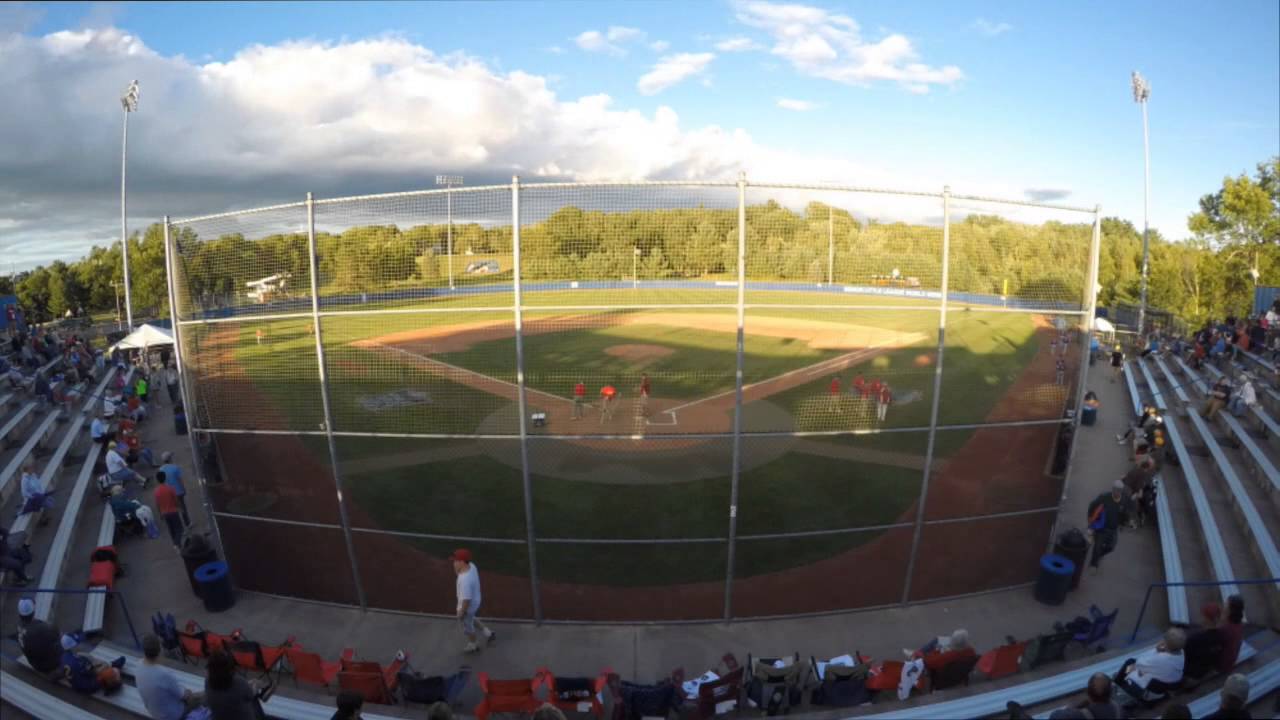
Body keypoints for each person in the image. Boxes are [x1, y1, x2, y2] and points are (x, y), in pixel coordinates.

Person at [137, 634, 204, 720]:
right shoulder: (163, 674)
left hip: (154, 712)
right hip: (173, 716)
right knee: (201, 697)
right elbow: (183, 696)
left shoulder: (138, 665)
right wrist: (189, 693)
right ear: (160, 650)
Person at [1114, 628, 1186, 704]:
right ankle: (1120, 680)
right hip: (1162, 684)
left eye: (1164, 638)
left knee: (1129, 663)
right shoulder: (1181, 652)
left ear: (1166, 643)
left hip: (1149, 690)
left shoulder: (1161, 659)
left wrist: (1156, 649)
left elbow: (1140, 661)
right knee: (1132, 665)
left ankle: (1118, 684)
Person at [453, 548, 496, 653]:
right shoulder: (472, 566)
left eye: (455, 561)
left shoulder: (465, 581)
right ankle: (488, 633)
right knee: (471, 618)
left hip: (468, 606)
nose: (454, 563)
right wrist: (457, 569)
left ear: (462, 562)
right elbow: (458, 573)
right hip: (475, 601)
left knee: (468, 627)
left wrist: (461, 612)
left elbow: (466, 600)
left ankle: (473, 645)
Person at [1086, 481, 1134, 574]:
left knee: (1111, 547)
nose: (1116, 492)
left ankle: (1099, 555)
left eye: (1118, 490)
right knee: (1097, 546)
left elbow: (1126, 513)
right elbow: (1092, 505)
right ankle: (1093, 565)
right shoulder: (1104, 497)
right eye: (1115, 490)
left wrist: (1124, 524)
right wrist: (1090, 519)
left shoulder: (1124, 501)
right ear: (1112, 489)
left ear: (1121, 491)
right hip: (1102, 528)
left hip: (1113, 529)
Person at [205, 649, 266, 720]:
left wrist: (248, 683)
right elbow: (251, 695)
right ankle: (264, 692)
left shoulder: (208, 682)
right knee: (253, 699)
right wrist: (256, 685)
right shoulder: (238, 682)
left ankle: (263, 692)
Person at [61, 632, 126, 694]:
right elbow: (91, 672)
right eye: (76, 643)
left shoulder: (64, 657)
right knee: (115, 671)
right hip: (88, 686)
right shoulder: (78, 662)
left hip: (78, 681)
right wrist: (102, 675)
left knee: (85, 656)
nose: (78, 644)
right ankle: (108, 685)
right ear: (72, 646)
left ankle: (110, 665)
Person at [17, 597, 63, 679]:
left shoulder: (19, 625)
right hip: (48, 665)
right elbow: (58, 635)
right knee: (65, 641)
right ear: (33, 612)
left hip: (34, 662)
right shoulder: (42, 628)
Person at [1183, 602, 1227, 681]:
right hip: (1205, 669)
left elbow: (1183, 654)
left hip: (1192, 671)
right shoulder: (1221, 635)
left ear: (1206, 619)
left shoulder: (1195, 638)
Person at [154, 472, 185, 549]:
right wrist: (180, 508)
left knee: (171, 529)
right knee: (180, 529)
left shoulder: (156, 491)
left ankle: (176, 544)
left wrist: (160, 514)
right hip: (173, 511)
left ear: (157, 480)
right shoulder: (170, 489)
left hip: (165, 513)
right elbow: (176, 501)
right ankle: (177, 543)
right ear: (165, 478)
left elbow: (158, 504)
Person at [159, 452, 191, 526]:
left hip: (168, 493)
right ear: (170, 459)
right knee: (182, 507)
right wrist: (184, 489)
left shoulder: (161, 469)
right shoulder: (175, 467)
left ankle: (178, 525)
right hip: (178, 491)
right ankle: (187, 523)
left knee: (174, 509)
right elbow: (180, 480)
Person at [1218, 595, 1245, 675]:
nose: (1223, 606)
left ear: (1231, 610)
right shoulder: (1239, 624)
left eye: (1226, 605)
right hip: (1231, 658)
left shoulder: (1225, 628)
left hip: (1223, 664)